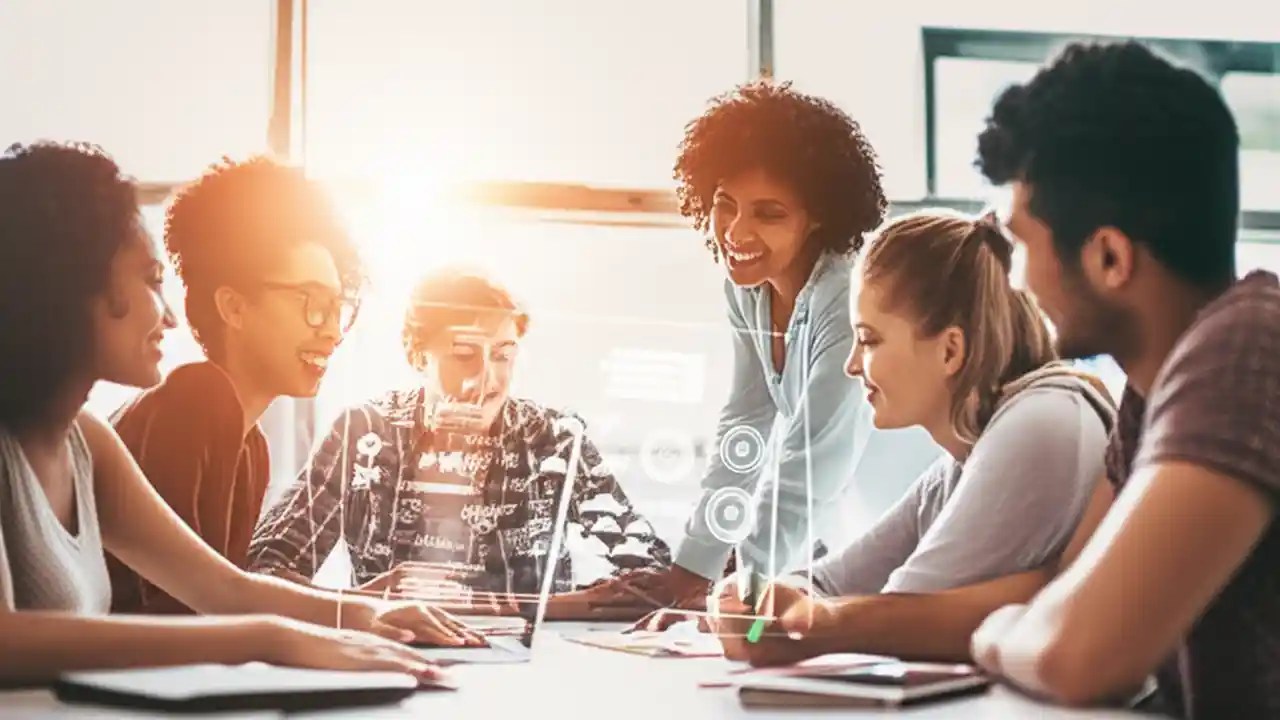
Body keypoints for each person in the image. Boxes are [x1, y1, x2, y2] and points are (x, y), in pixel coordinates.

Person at [0, 141, 481, 685]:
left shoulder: (87, 443)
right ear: (75, 282)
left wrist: (365, 614)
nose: (170, 317)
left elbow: (225, 588)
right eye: (152, 281)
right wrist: (275, 636)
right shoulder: (196, 397)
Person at [967, 41, 1280, 719]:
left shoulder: (1247, 348)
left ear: (1109, 256)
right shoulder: (1153, 391)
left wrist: (992, 635)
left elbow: (1078, 654)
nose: (1016, 281)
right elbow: (1064, 599)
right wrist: (1032, 625)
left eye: (1021, 245)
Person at [711, 210, 1115, 665]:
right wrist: (745, 595)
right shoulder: (959, 466)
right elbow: (830, 585)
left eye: (868, 340)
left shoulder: (1043, 421)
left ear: (950, 350)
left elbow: (901, 616)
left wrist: (797, 619)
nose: (851, 365)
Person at [623, 81, 890, 621]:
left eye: (769, 214)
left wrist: (741, 592)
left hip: (892, 523)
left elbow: (810, 467)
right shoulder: (747, 288)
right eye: (726, 205)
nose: (737, 232)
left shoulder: (848, 304)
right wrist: (693, 569)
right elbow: (746, 423)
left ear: (817, 215)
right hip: (829, 537)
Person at [248, 268, 671, 608]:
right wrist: (364, 604)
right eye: (465, 354)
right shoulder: (365, 433)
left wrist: (551, 606)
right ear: (417, 356)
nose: (487, 378)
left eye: (504, 355)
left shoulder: (555, 438)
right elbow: (265, 568)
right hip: (401, 659)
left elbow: (651, 571)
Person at [106, 156, 364, 614]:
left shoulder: (251, 445)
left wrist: (367, 604)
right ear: (234, 307)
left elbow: (232, 592)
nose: (332, 331)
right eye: (311, 302)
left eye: (337, 306)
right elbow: (189, 609)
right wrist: (362, 614)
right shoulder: (197, 399)